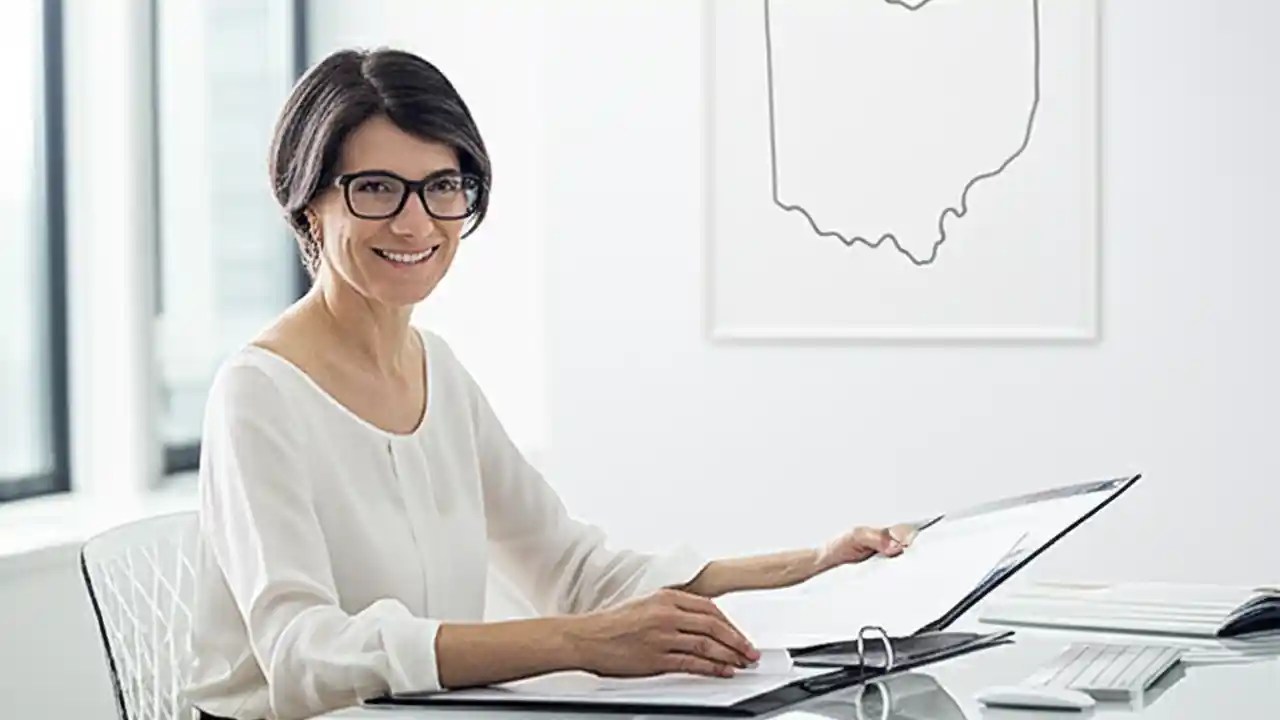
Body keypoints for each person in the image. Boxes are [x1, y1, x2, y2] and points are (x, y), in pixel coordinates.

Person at [186, 47, 916, 720]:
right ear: (308, 199)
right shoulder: (260, 392)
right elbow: (301, 652)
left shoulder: (437, 369)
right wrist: (578, 642)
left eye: (442, 186)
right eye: (376, 188)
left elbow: (570, 568)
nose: (415, 223)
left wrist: (808, 565)